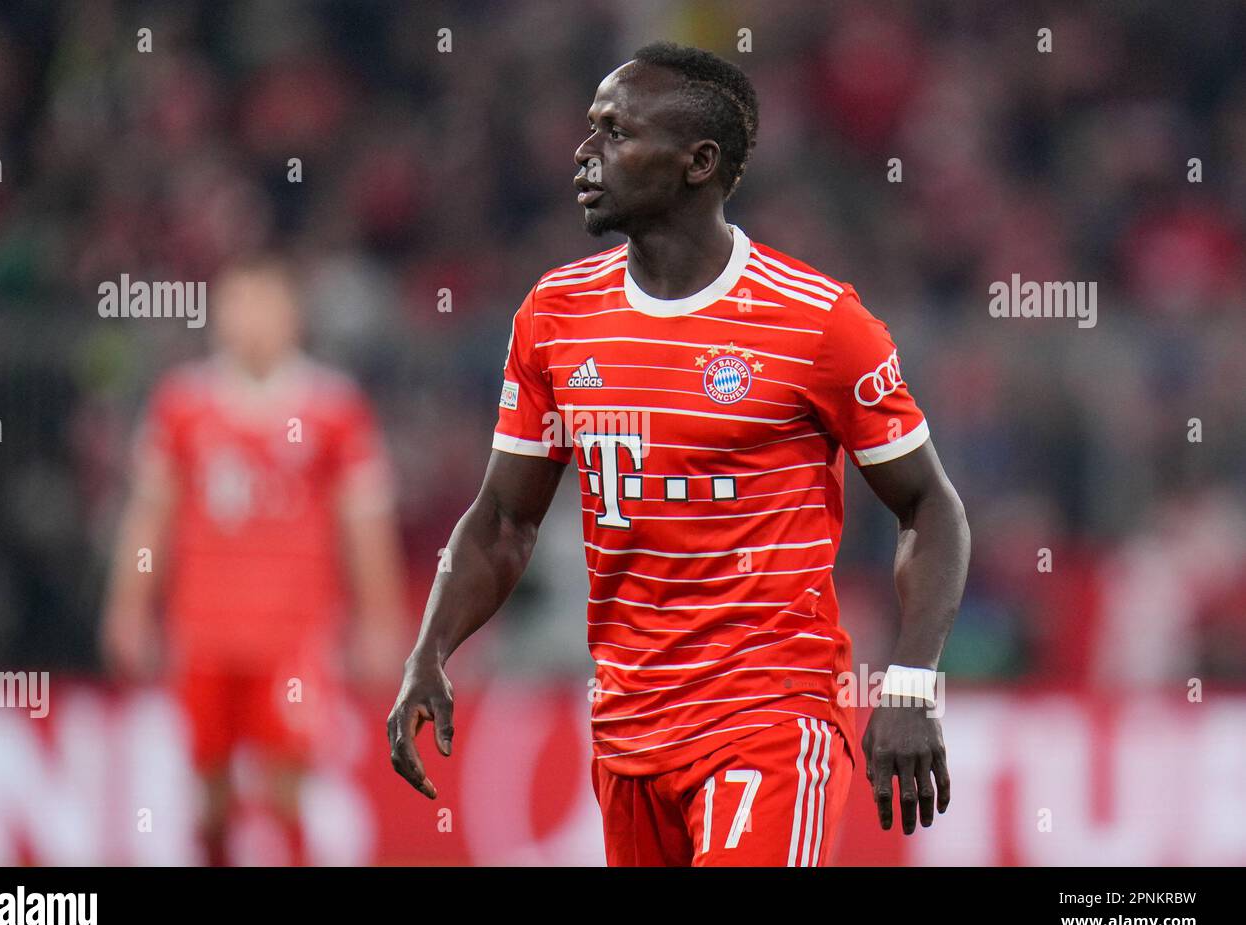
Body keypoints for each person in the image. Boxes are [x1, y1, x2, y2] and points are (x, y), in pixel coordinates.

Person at [388, 42, 969, 866]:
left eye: (616, 134)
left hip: (769, 719)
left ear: (698, 163)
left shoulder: (819, 323)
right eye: (591, 130)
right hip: (626, 733)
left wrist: (911, 681)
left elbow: (930, 507)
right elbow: (503, 520)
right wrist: (430, 649)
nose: (585, 155)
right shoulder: (556, 315)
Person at [102, 254, 407, 865]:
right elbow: (148, 519)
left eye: (264, 305)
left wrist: (383, 620)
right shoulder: (182, 405)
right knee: (209, 796)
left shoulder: (333, 409)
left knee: (285, 790)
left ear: (293, 316)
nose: (251, 322)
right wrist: (128, 607)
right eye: (238, 306)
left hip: (295, 634)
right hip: (203, 630)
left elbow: (366, 527)